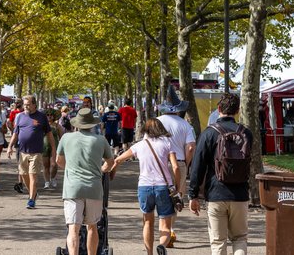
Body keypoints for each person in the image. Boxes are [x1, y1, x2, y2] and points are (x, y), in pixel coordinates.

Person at [188, 93, 253, 255]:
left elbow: (197, 166)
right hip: (240, 194)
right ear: (237, 110)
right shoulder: (246, 133)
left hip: (216, 194)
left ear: (218, 109)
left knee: (218, 242)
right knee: (240, 238)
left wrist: (193, 195)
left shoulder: (208, 134)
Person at [111, 118, 180, 255]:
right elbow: (176, 167)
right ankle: (162, 245)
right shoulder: (167, 143)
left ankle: (149, 253)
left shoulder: (139, 145)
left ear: (145, 130)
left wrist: (112, 173)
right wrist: (176, 186)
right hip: (163, 187)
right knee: (165, 225)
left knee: (147, 222)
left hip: (144, 187)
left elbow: (118, 159)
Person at [56, 108, 114, 255]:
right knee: (92, 227)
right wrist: (101, 170)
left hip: (72, 188)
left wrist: (70, 169)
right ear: (92, 124)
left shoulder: (66, 138)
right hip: (93, 188)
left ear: (77, 123)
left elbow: (59, 161)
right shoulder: (100, 140)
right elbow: (110, 162)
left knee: (73, 229)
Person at [157, 88, 196, 247]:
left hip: (159, 164)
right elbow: (191, 147)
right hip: (179, 163)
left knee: (161, 197)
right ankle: (170, 229)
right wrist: (185, 162)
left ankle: (162, 231)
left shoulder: (156, 122)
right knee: (176, 197)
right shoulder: (185, 125)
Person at [7, 95, 56, 209]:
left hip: (36, 152)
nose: (26, 106)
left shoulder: (42, 117)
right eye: (24, 104)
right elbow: (15, 133)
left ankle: (31, 200)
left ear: (34, 104)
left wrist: (54, 149)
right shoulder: (19, 116)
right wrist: (10, 146)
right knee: (24, 175)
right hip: (22, 151)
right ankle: (33, 193)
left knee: (33, 175)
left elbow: (49, 134)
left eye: (28, 104)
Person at [42, 108, 62, 189]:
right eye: (48, 115)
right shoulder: (43, 125)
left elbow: (61, 137)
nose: (49, 116)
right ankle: (47, 181)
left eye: (51, 115)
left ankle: (52, 178)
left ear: (54, 116)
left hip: (55, 147)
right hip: (44, 147)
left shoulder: (57, 125)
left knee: (54, 165)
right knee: (45, 165)